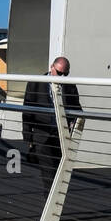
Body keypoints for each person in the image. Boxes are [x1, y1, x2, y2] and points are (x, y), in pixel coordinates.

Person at [23, 56, 82, 194]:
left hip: (62, 136)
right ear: (51, 67)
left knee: (60, 174)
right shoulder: (36, 84)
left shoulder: (70, 85)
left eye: (65, 74)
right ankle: (50, 210)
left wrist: (75, 123)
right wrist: (28, 138)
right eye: (59, 72)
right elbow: (27, 110)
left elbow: (76, 108)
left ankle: (53, 208)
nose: (62, 76)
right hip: (42, 136)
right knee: (49, 174)